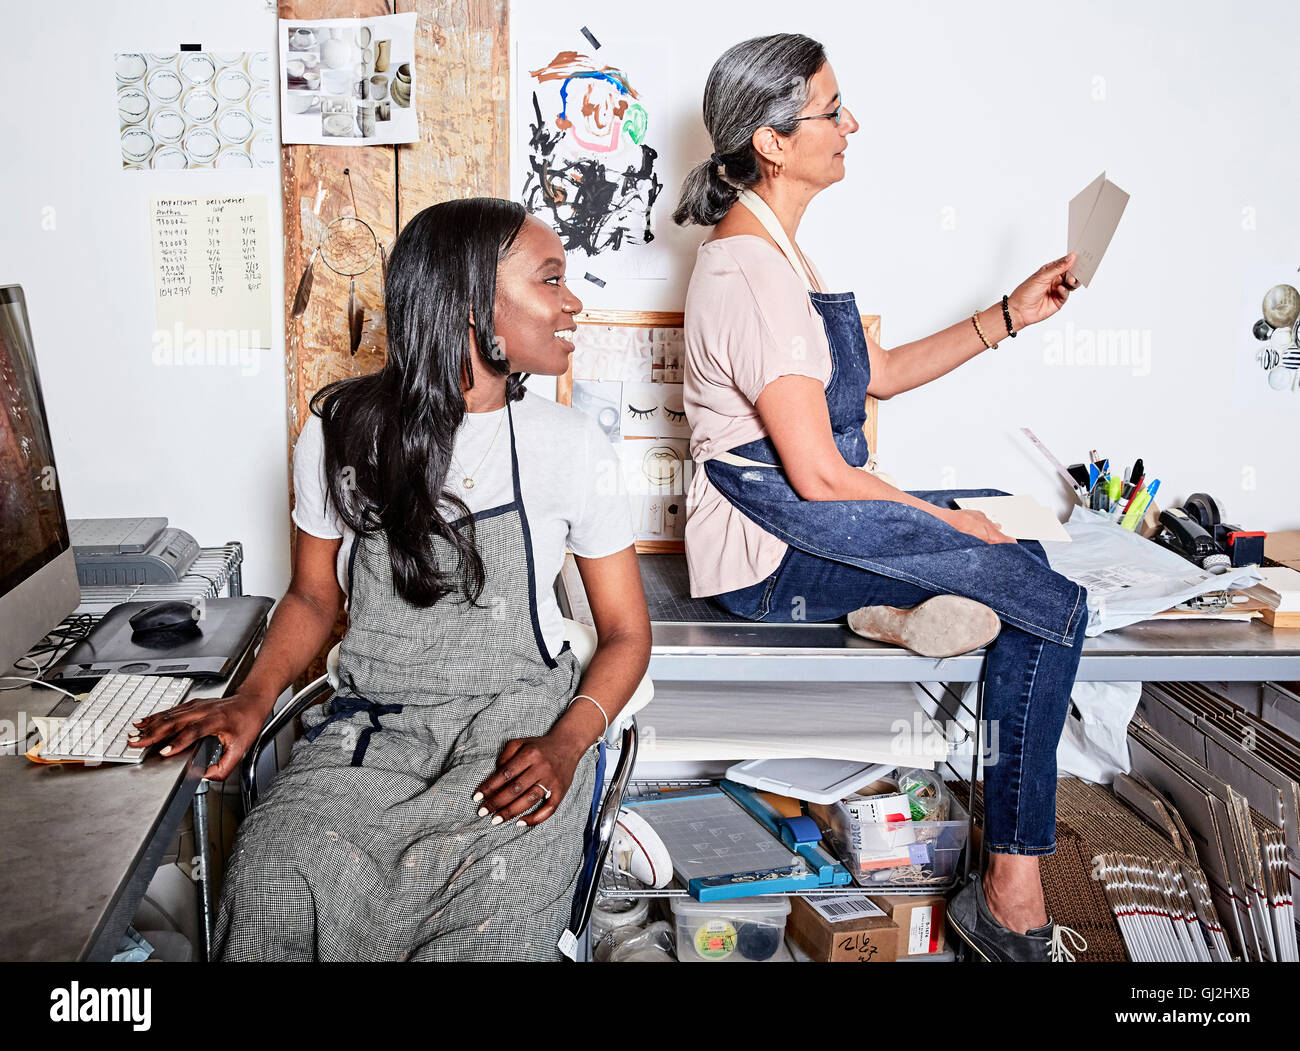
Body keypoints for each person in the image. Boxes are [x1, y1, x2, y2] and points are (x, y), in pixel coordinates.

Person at [131, 198, 651, 961]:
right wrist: (252, 698)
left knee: (488, 918)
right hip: (374, 733)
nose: (572, 302)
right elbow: (314, 597)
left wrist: (567, 745)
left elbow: (628, 633)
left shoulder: (570, 447)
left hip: (511, 739)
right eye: (550, 280)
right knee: (272, 870)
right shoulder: (341, 431)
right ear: (473, 306)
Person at [674, 33, 1088, 962]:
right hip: (772, 544)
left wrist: (1011, 314)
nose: (850, 122)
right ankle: (1012, 886)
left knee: (1009, 551)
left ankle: (900, 605)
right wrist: (946, 524)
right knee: (1051, 602)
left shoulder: (779, 255)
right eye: (831, 109)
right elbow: (818, 476)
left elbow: (882, 374)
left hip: (806, 505)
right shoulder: (749, 272)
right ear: (772, 141)